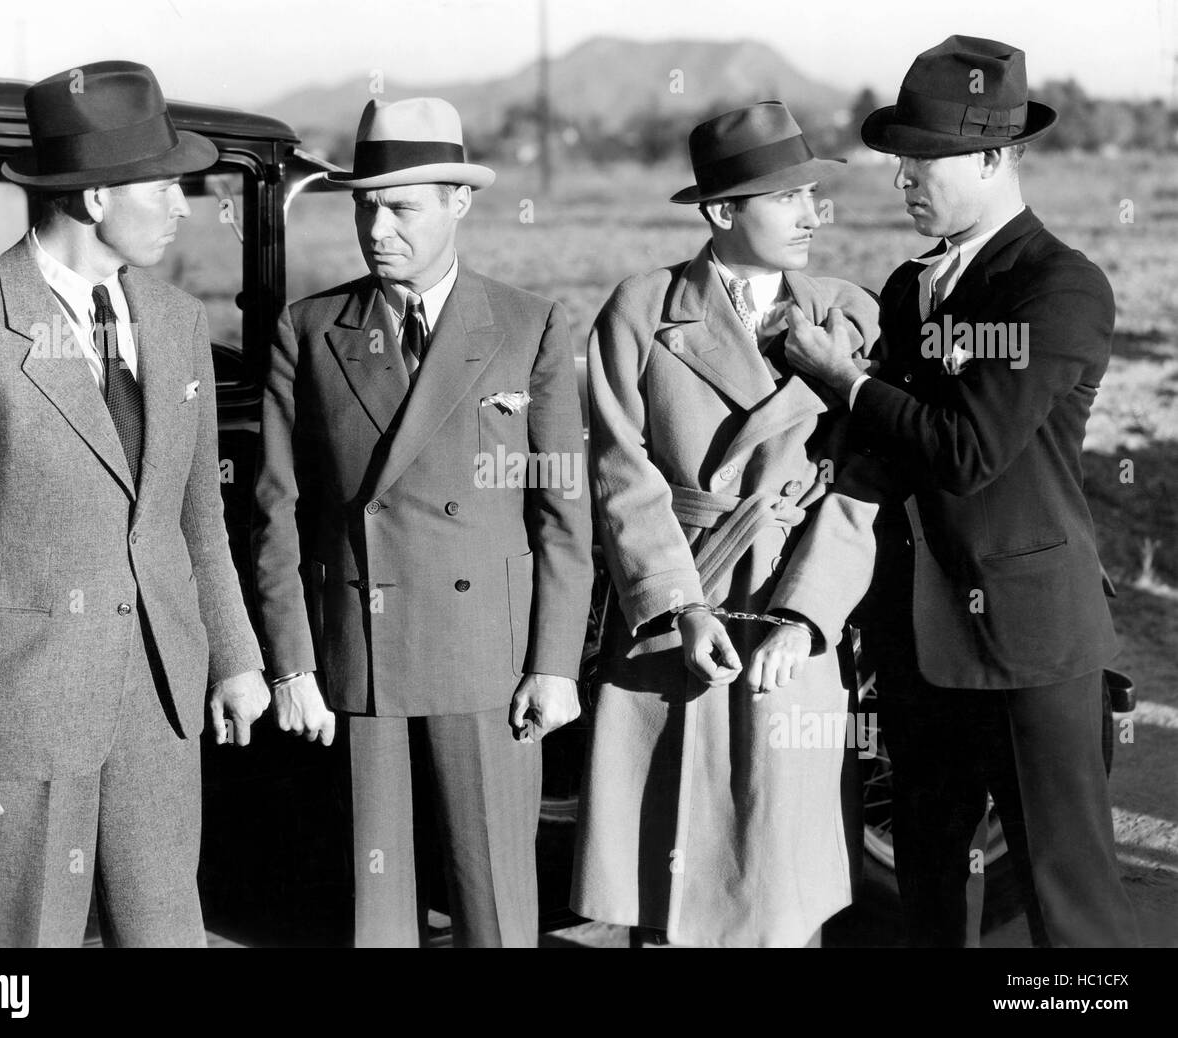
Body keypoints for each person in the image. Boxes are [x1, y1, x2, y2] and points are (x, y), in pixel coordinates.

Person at [0, 61, 269, 947]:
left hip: (159, 712)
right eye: (168, 187)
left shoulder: (175, 324)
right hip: (13, 725)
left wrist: (236, 657)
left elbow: (192, 518)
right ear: (96, 198)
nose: (184, 206)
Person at [782, 35, 1140, 947]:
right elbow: (885, 453)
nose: (903, 178)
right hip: (917, 637)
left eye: (924, 159)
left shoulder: (1059, 287)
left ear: (991, 157)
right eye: (901, 160)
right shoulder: (908, 288)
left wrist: (846, 381)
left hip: (1033, 644)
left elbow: (965, 448)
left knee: (1070, 906)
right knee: (925, 893)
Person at [250, 97, 592, 948]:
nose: (376, 227)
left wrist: (554, 665)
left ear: (458, 202)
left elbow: (562, 516)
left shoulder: (527, 325)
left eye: (401, 205)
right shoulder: (312, 327)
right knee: (377, 913)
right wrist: (293, 668)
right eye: (365, 203)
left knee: (497, 907)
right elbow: (276, 513)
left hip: (490, 659)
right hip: (359, 662)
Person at [571, 101, 881, 946]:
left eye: (815, 194)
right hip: (676, 608)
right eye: (787, 197)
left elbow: (864, 482)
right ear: (720, 212)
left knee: (780, 882)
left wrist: (807, 614)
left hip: (793, 612)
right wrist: (679, 604)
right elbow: (618, 472)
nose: (814, 214)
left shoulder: (850, 317)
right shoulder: (639, 311)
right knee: (670, 869)